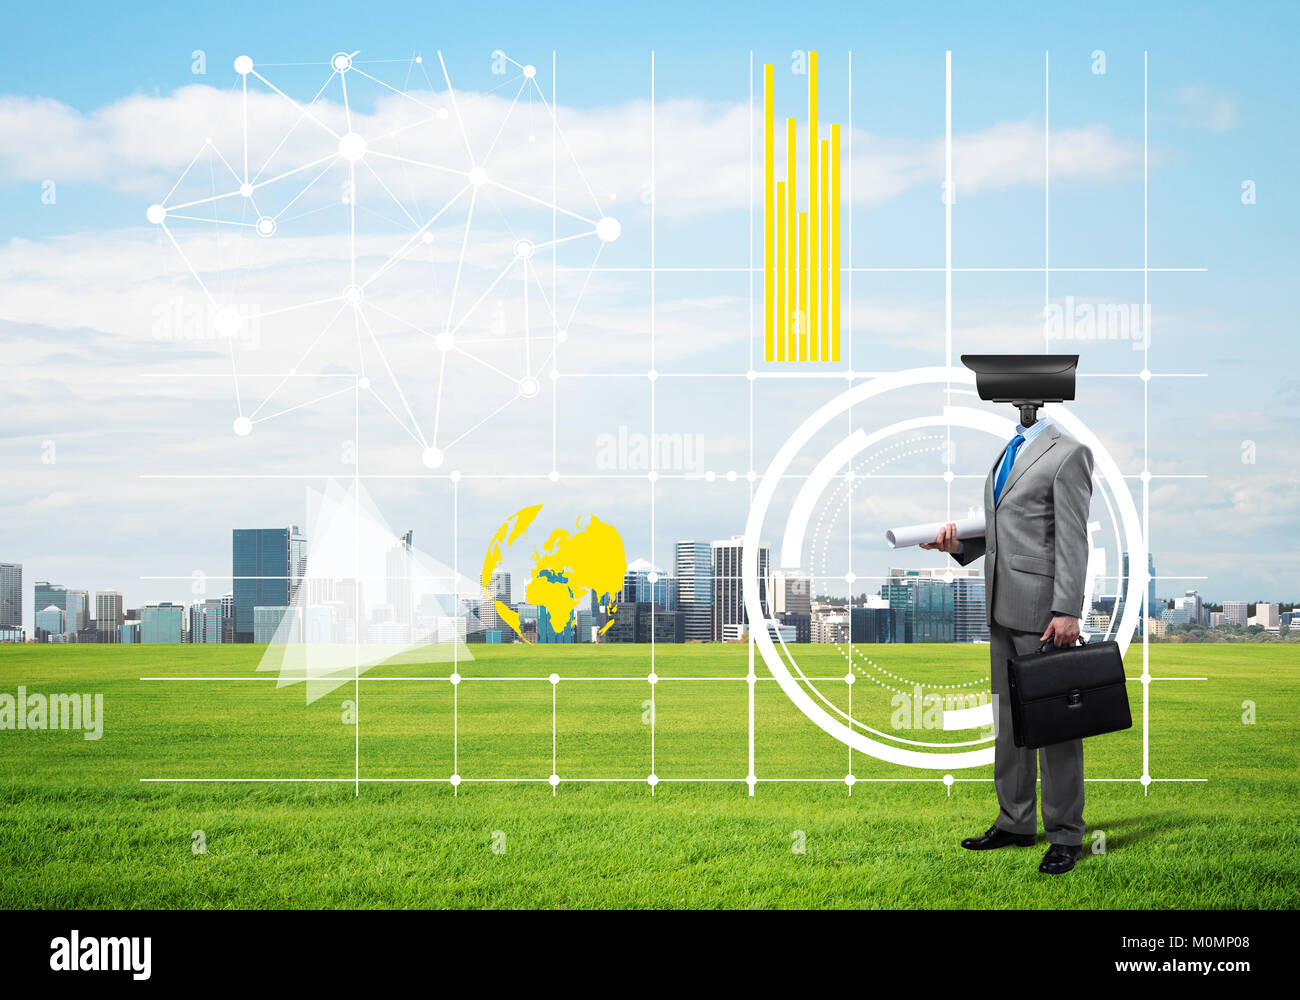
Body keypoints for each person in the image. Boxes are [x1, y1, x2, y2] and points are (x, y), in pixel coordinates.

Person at [921, 414, 1093, 875]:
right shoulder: (1009, 450)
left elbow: (1073, 538)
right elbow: (1008, 529)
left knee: (1054, 728)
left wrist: (1068, 609)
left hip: (1044, 612)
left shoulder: (1069, 453)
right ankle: (1016, 821)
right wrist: (959, 547)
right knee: (1010, 724)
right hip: (1000, 604)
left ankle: (1065, 836)